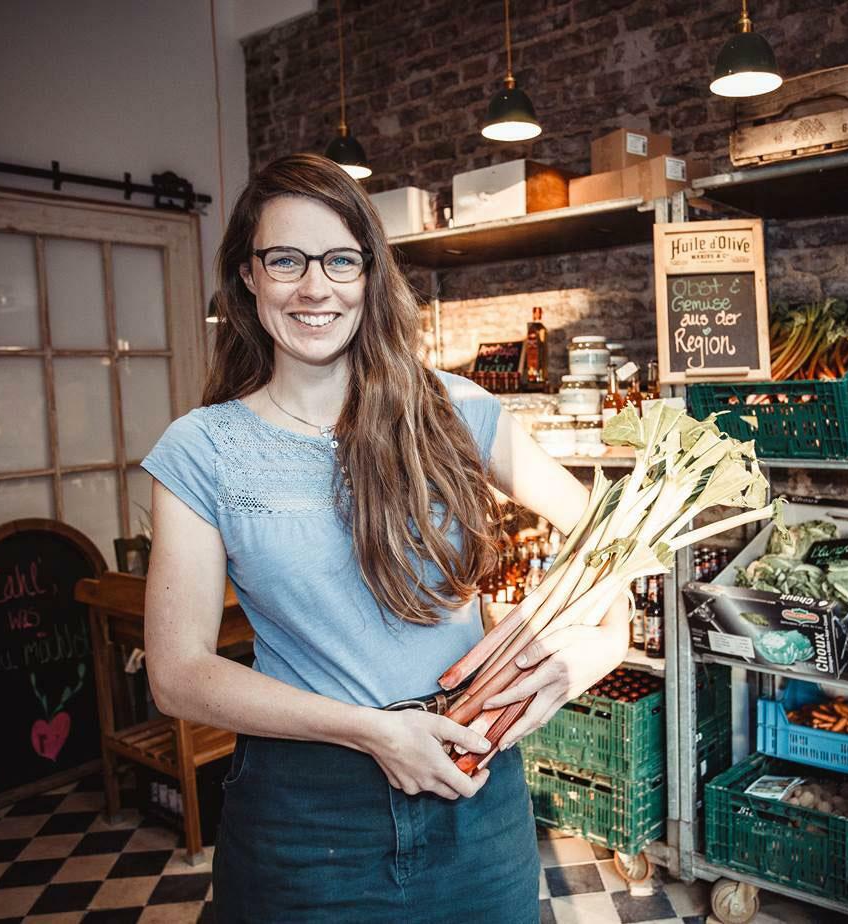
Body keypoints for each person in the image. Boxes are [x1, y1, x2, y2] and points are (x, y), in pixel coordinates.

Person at [141, 153, 631, 922]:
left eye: (340, 260)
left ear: (370, 274)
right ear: (247, 275)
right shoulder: (203, 449)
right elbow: (176, 674)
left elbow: (618, 537)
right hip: (307, 818)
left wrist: (593, 651)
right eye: (286, 260)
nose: (316, 287)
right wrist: (373, 732)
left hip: (474, 790)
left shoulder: (455, 411)